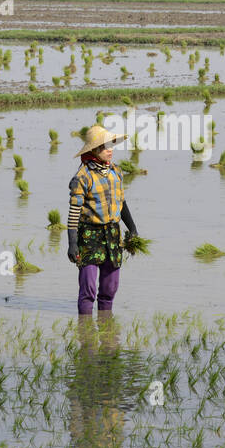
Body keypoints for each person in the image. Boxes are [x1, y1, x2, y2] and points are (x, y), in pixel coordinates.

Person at [67, 125, 138, 315]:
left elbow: (120, 203)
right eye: (104, 146)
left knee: (110, 288)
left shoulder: (116, 172)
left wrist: (132, 228)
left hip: (113, 235)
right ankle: (86, 336)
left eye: (110, 145)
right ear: (93, 150)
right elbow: (74, 212)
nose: (110, 150)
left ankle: (107, 334)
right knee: (88, 290)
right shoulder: (83, 177)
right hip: (90, 237)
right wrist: (72, 244)